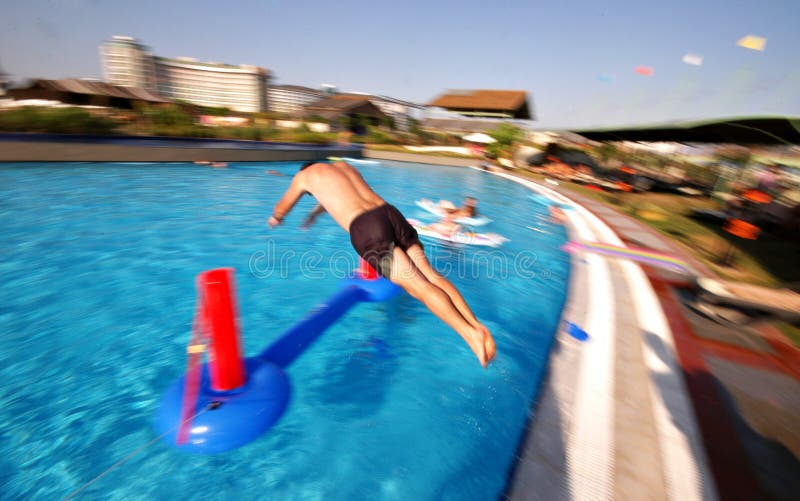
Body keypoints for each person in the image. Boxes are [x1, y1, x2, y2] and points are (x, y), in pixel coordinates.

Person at [268, 161, 496, 367]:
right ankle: (476, 325)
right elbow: (338, 195)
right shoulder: (342, 166)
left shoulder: (303, 177)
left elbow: (283, 206)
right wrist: (316, 214)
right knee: (432, 276)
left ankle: (470, 335)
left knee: (418, 287)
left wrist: (276, 218)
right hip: (389, 213)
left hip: (366, 229)